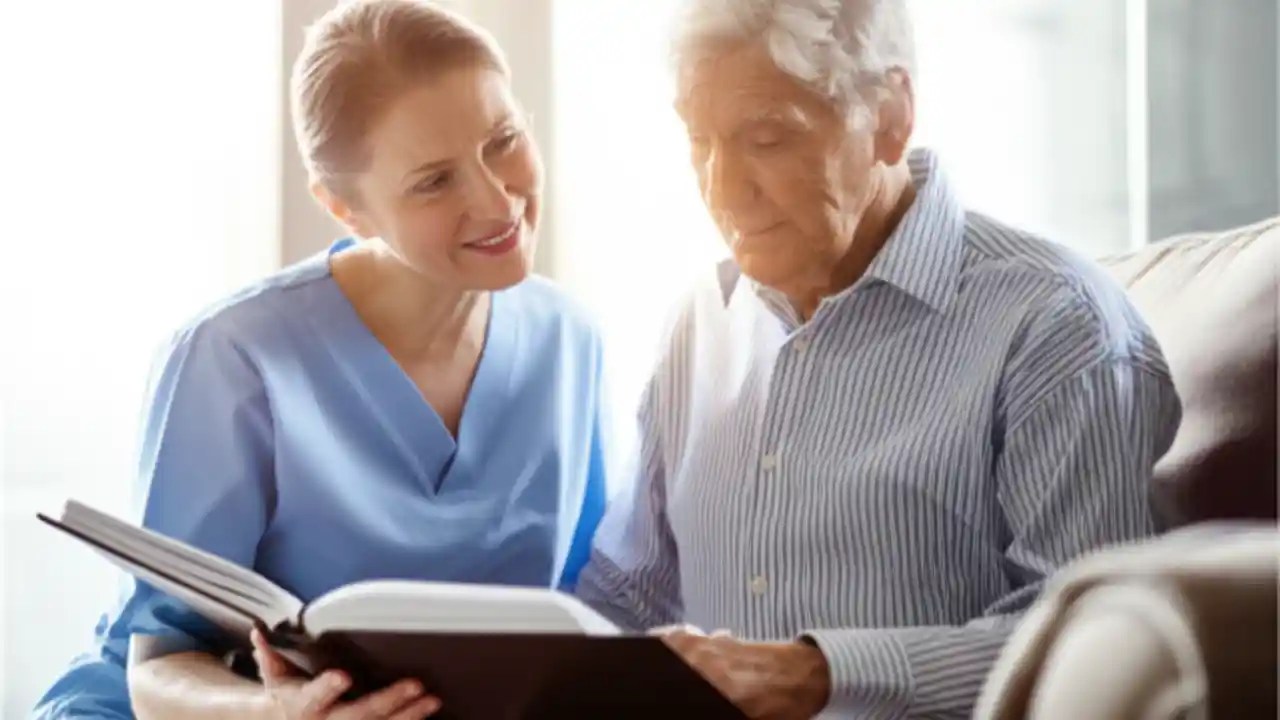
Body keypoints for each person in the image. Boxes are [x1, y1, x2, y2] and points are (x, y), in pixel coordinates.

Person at [574, 0, 1181, 717]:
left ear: (890, 116)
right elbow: (624, 599)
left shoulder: (1057, 327)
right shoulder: (698, 325)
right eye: (699, 141)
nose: (720, 187)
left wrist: (821, 675)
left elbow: (1098, 648)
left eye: (766, 139)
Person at [33, 2, 610, 718]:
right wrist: (283, 712)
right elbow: (153, 669)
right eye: (434, 180)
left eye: (503, 140)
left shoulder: (570, 339)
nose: (498, 201)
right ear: (347, 210)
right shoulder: (233, 358)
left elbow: (589, 615)